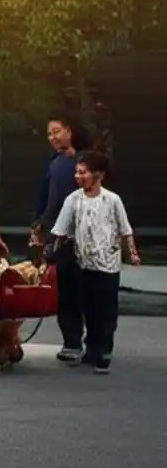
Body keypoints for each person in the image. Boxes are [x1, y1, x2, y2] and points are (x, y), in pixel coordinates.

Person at [48, 150, 140, 374]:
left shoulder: (112, 200)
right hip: (84, 263)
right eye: (77, 173)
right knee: (88, 307)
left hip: (108, 263)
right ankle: (91, 348)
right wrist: (52, 253)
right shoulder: (73, 200)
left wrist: (133, 253)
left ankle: (104, 349)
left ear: (98, 175)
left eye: (84, 173)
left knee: (106, 308)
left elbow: (125, 229)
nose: (78, 177)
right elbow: (61, 230)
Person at [28, 115, 91, 364]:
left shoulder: (85, 160)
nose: (52, 137)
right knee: (67, 289)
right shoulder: (54, 162)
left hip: (86, 234)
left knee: (88, 291)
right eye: (49, 133)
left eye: (57, 131)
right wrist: (39, 225)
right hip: (60, 235)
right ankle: (72, 341)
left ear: (70, 130)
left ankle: (96, 343)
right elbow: (47, 198)